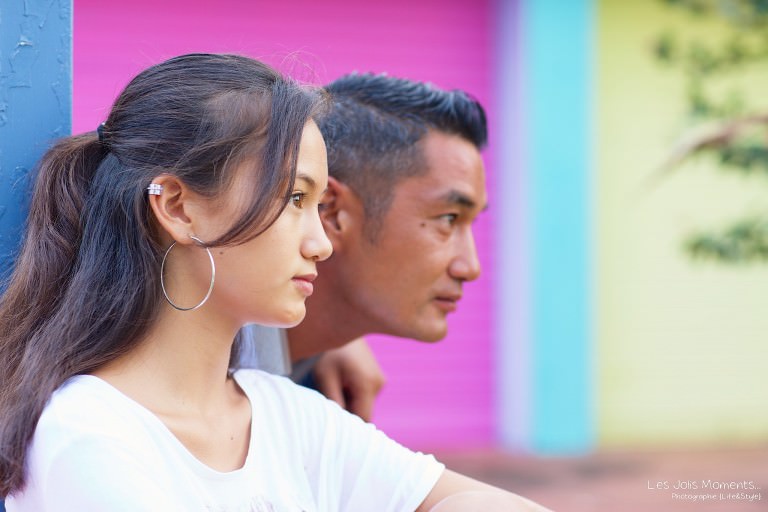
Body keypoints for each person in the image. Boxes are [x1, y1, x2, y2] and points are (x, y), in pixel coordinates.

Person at [0, 53, 549, 511]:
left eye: (314, 203)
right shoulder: (94, 436)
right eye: (294, 199)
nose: (322, 244)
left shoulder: (285, 412)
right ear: (178, 207)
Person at [243, 73, 489, 422]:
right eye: (448, 219)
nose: (470, 266)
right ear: (330, 211)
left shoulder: (317, 383)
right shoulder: (197, 370)